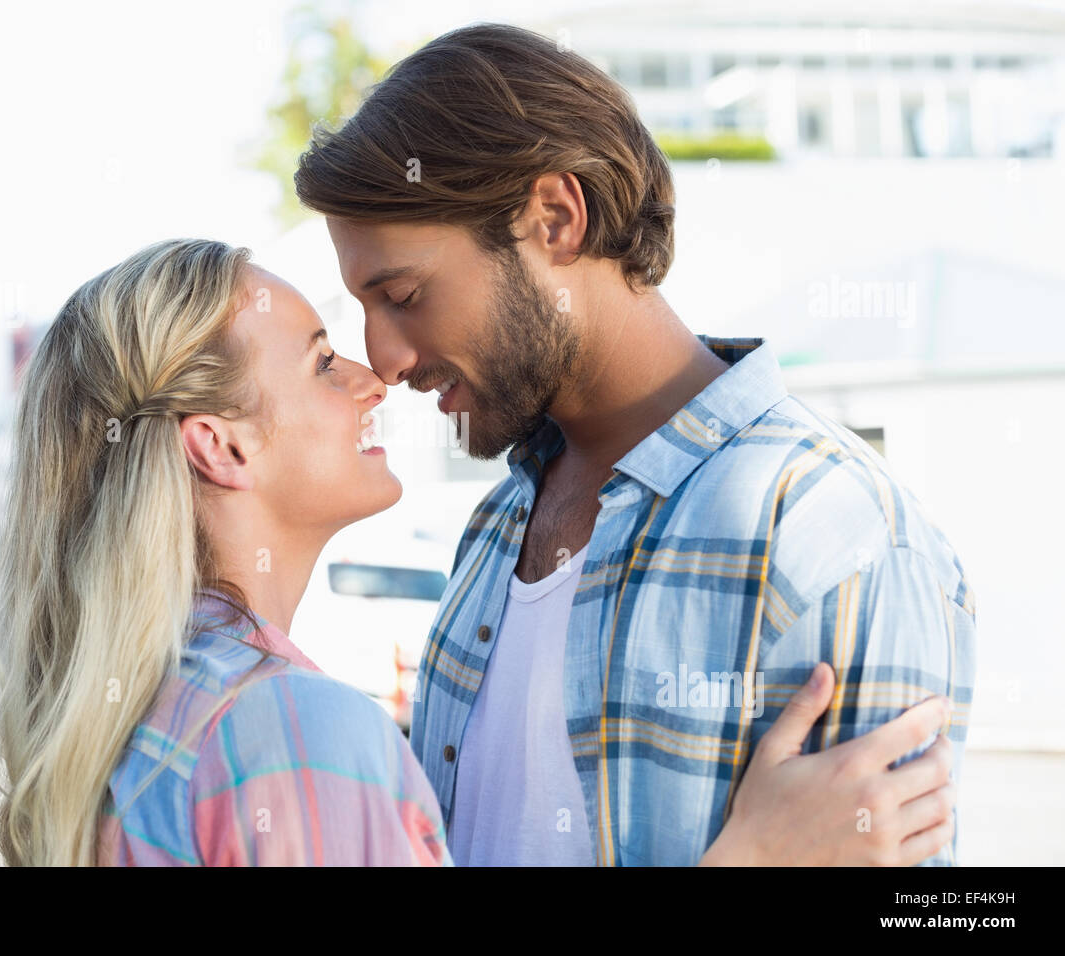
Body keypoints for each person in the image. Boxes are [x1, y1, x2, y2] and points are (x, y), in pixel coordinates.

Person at [0, 238, 959, 867]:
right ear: (220, 444)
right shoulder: (293, 731)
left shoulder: (153, 699)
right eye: (323, 360)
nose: (374, 376)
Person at [293, 23, 975, 865]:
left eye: (402, 294)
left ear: (555, 219)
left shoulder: (833, 533)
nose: (387, 358)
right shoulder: (495, 528)